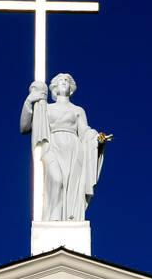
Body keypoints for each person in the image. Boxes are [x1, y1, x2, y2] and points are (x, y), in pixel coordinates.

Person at [20, 73, 108, 221]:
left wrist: (96, 138)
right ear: (54, 87)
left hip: (74, 150)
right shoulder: (44, 108)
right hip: (51, 145)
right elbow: (25, 127)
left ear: (71, 89)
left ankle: (70, 218)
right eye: (60, 80)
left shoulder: (78, 110)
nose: (64, 82)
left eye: (67, 81)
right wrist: (29, 101)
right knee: (56, 179)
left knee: (72, 186)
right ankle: (53, 218)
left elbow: (85, 131)